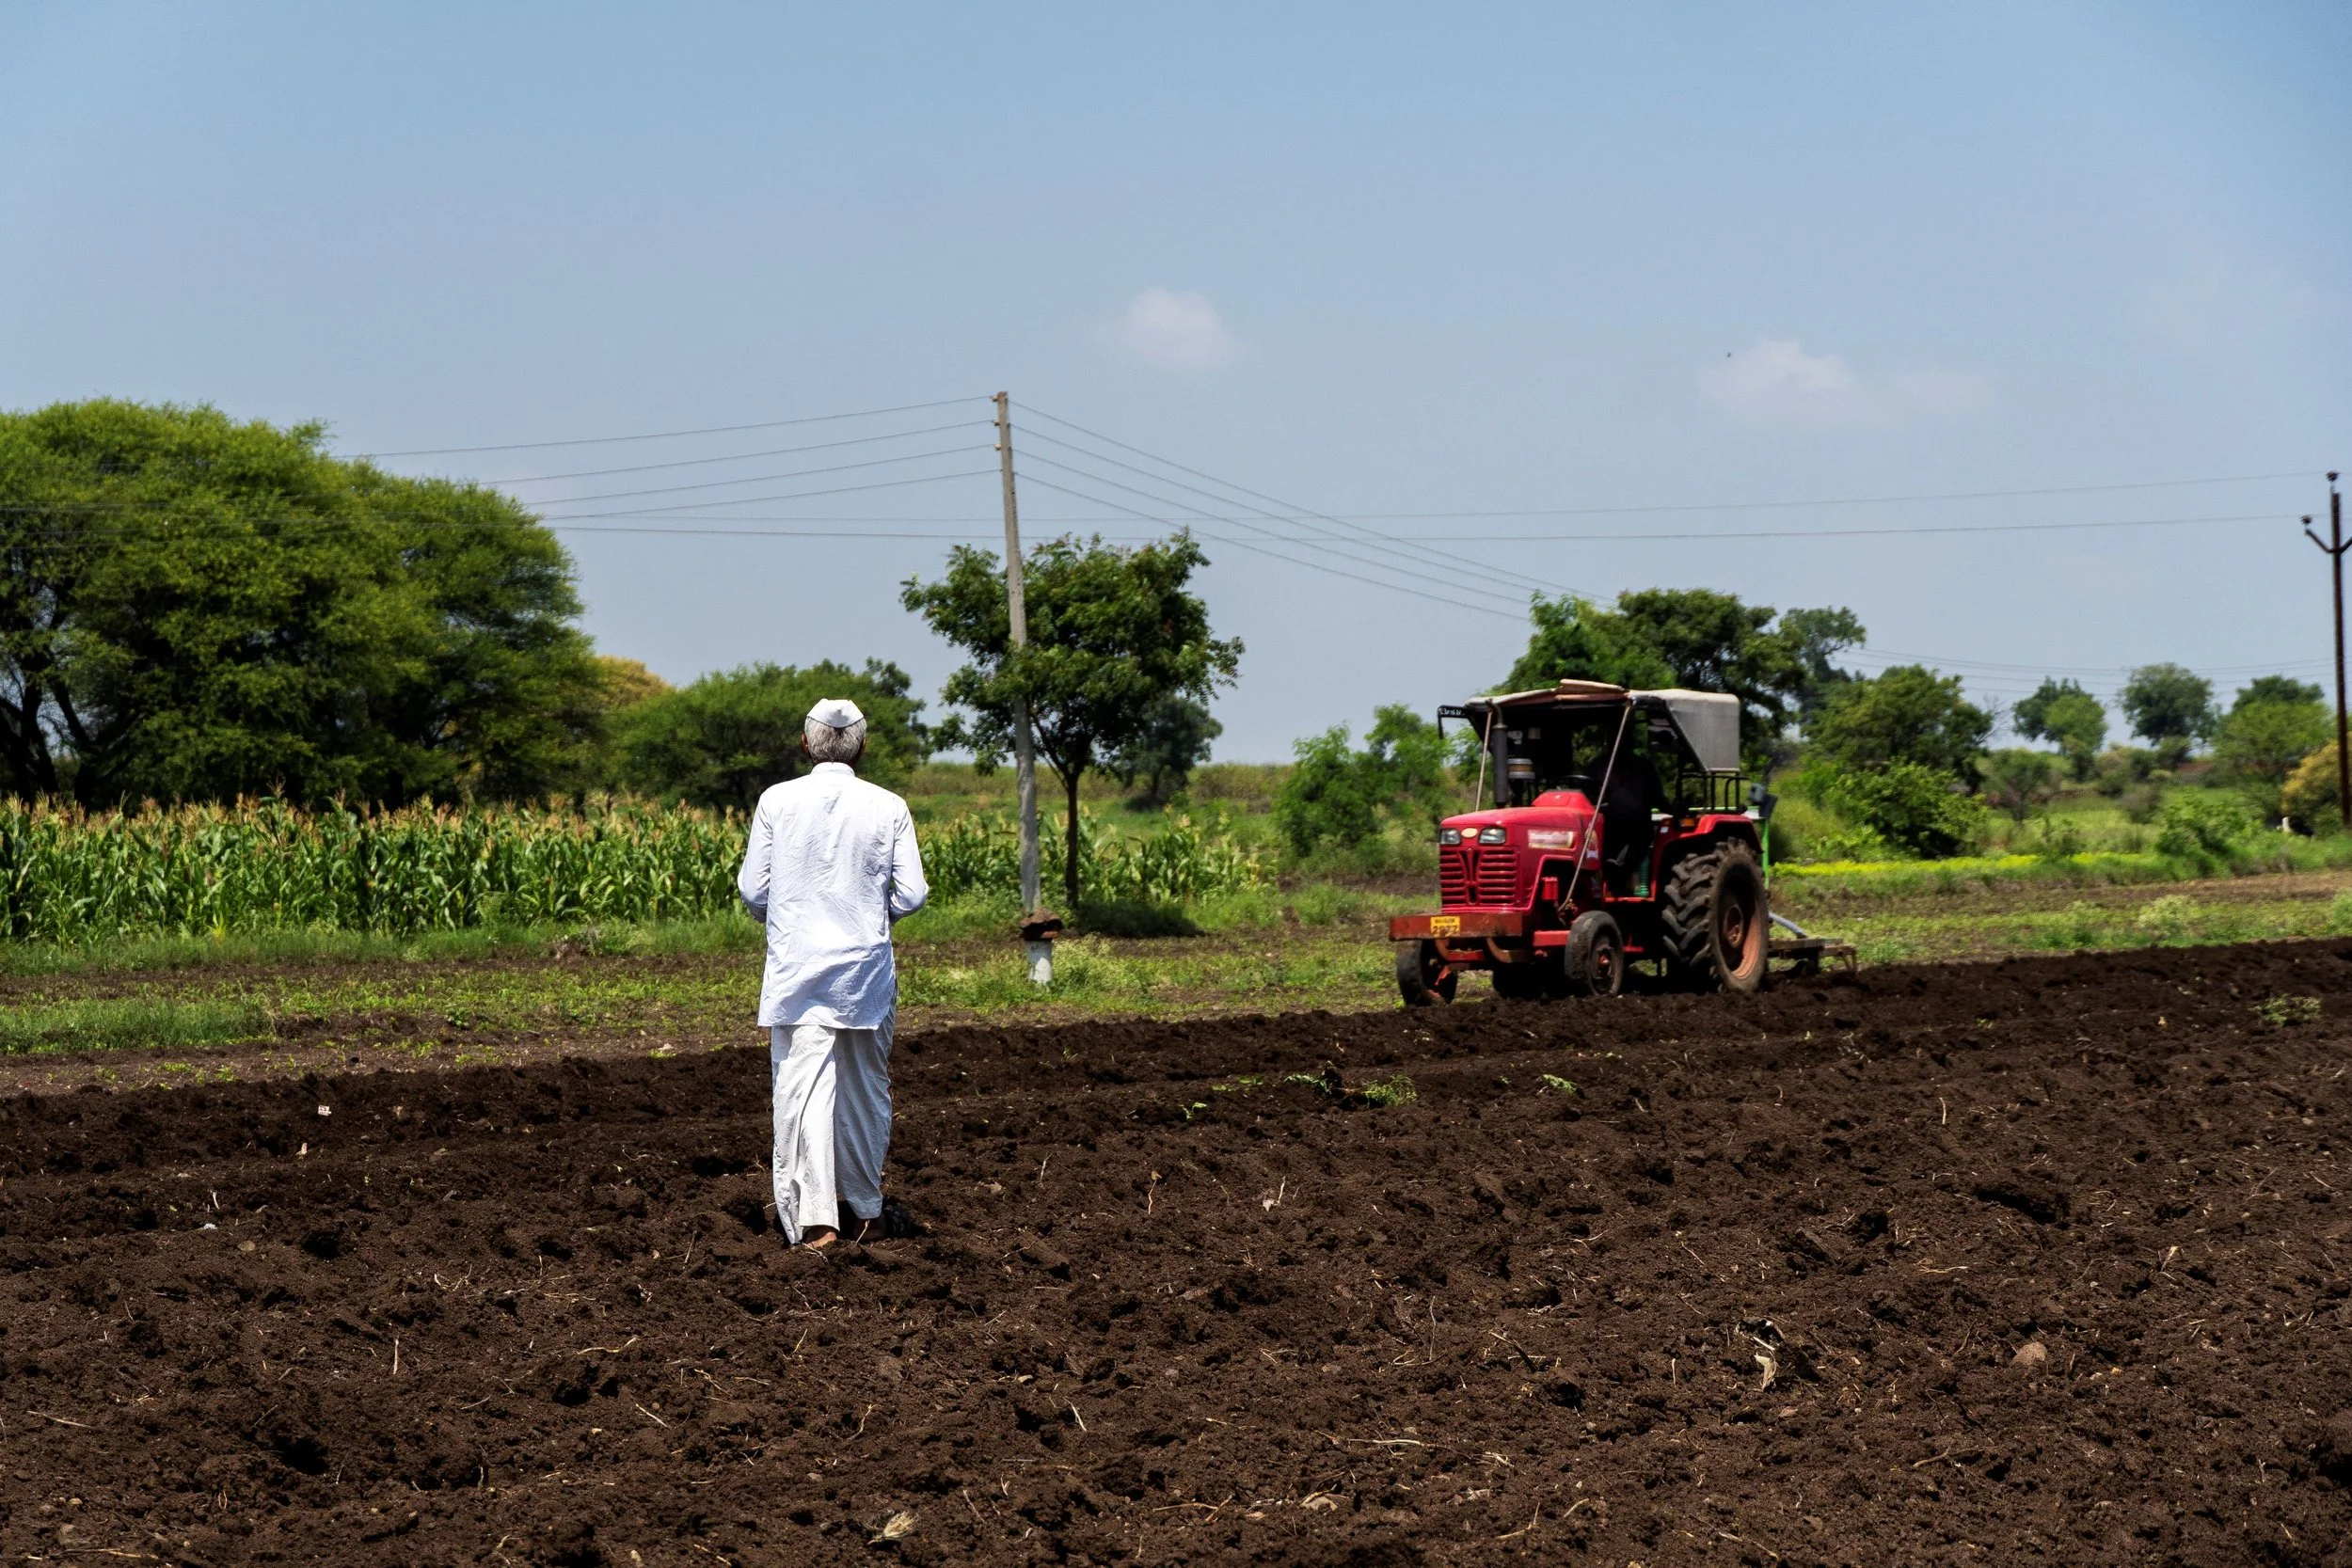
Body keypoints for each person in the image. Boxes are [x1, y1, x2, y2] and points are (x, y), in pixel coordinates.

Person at [737, 698, 928, 1250]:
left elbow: (753, 888)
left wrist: (783, 921)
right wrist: (871, 917)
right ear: (862, 747)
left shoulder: (777, 800)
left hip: (797, 969)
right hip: (864, 972)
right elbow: (912, 893)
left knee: (803, 1091)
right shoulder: (889, 805)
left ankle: (817, 1221)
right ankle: (865, 1210)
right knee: (866, 1089)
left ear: (805, 745)